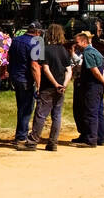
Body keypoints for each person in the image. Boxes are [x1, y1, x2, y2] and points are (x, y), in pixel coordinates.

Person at [29, 23, 72, 151]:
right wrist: (63, 85)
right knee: (57, 115)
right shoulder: (64, 50)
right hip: (61, 88)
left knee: (41, 114)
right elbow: (69, 71)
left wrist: (55, 84)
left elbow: (46, 69)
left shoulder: (45, 49)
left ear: (49, 34)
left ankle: (32, 142)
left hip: (48, 87)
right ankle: (53, 143)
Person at [8, 22, 44, 149]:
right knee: (27, 109)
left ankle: (19, 134)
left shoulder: (15, 40)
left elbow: (9, 57)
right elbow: (35, 65)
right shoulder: (36, 42)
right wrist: (39, 84)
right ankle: (21, 137)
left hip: (15, 76)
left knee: (21, 107)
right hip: (26, 79)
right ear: (37, 32)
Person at [73, 30, 104, 147]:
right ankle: (100, 138)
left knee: (90, 112)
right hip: (98, 86)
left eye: (77, 43)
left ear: (84, 42)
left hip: (92, 86)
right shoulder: (96, 52)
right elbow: (102, 69)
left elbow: (94, 70)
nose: (75, 45)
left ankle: (91, 140)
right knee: (99, 112)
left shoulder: (88, 53)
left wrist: (103, 81)